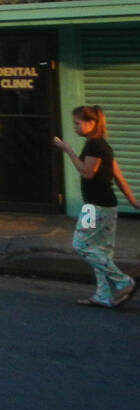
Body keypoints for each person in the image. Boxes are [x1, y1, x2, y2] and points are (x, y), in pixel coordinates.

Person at [52, 105, 140, 309]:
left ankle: (124, 282)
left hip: (95, 207)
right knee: (102, 250)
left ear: (91, 123)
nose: (75, 127)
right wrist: (133, 200)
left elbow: (87, 173)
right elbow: (117, 173)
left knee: (81, 245)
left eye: (77, 123)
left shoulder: (95, 146)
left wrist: (68, 150)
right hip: (106, 205)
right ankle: (103, 295)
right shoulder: (100, 145)